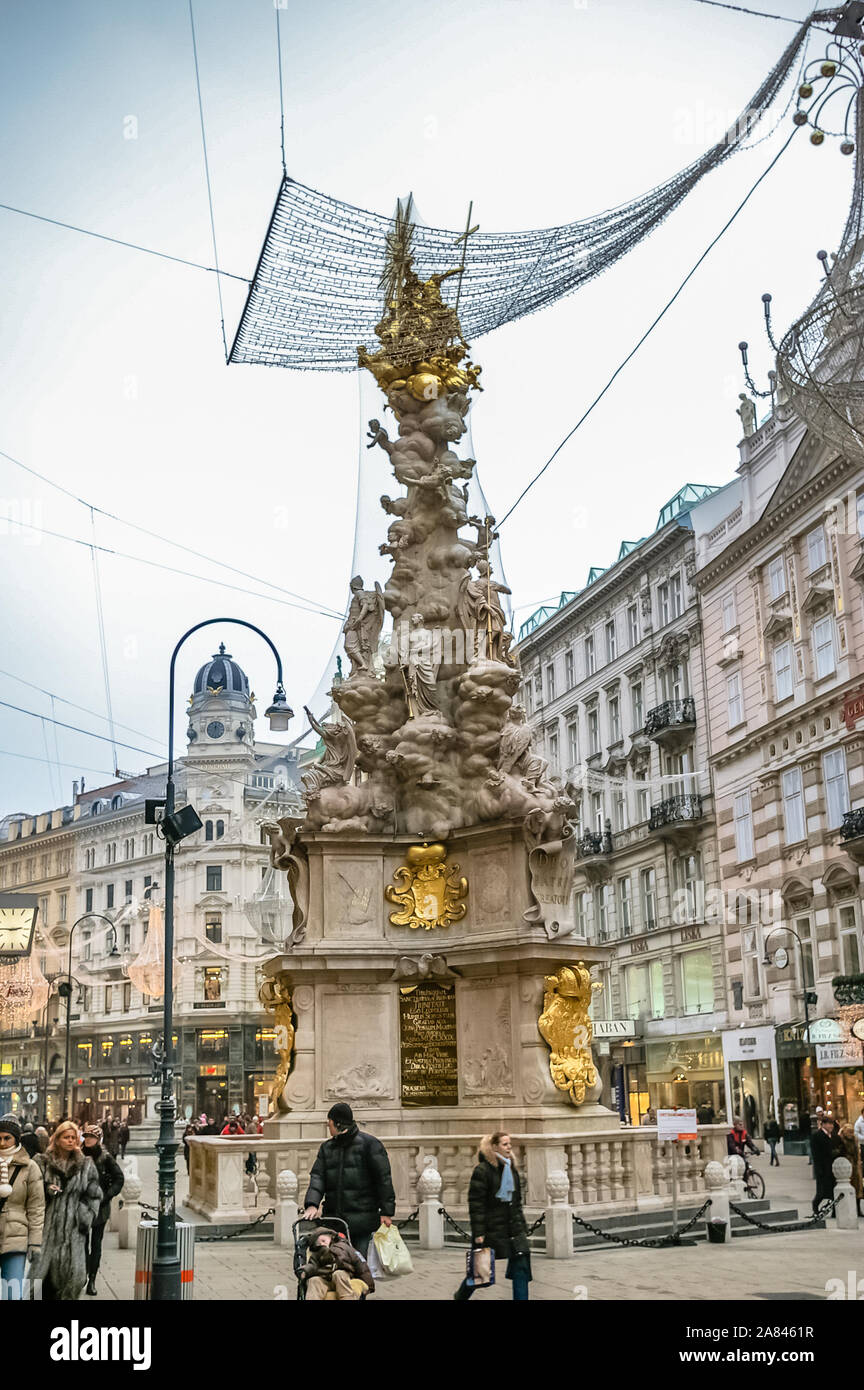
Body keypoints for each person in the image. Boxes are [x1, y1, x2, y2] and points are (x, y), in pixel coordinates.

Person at [302, 1103, 395, 1258]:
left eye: (329, 1123)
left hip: (362, 1219)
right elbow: (318, 1177)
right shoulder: (327, 1148)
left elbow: (383, 1179)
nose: (328, 1127)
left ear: (338, 1124)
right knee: (336, 1262)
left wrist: (386, 1212)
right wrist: (312, 1204)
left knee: (360, 1263)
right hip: (334, 1218)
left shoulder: (370, 1145)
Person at [453, 1132, 532, 1301]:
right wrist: (479, 1232)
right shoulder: (482, 1171)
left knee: (522, 1269)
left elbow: (516, 1202)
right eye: (505, 1144)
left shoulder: (511, 1168)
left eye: (509, 1144)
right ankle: (460, 1297)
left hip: (513, 1228)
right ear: (494, 1147)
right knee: (480, 1276)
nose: (509, 1147)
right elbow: (476, 1204)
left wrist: (522, 1227)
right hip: (491, 1229)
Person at [32, 1120, 101, 1300]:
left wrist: (84, 1216)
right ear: (57, 1139)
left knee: (73, 1280)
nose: (70, 1141)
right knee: (42, 1281)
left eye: (73, 1137)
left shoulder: (86, 1164)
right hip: (47, 1229)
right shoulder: (42, 1162)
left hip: (73, 1230)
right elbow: (32, 1191)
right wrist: (47, 1190)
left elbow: (94, 1195)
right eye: (66, 1137)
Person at [0, 1114, 44, 1301]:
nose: (2, 1143)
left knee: (12, 1294)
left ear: (16, 1139)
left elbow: (36, 1207)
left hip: (16, 1237)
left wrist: (34, 1242)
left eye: (6, 1138)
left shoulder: (30, 1167)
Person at [81, 1124, 124, 1296]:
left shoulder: (105, 1157)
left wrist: (107, 1196)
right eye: (86, 1136)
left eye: (91, 1136)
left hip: (100, 1208)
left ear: (98, 1139)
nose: (88, 1139)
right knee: (82, 1244)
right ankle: (83, 1273)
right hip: (81, 1206)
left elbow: (119, 1178)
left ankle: (92, 1279)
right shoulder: (78, 1155)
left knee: (96, 1244)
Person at [300, 1226, 375, 1301]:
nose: (322, 1244)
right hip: (326, 1279)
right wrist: (305, 1271)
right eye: (318, 1244)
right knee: (314, 1280)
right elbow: (313, 1265)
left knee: (339, 1274)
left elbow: (360, 1263)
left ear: (330, 1237)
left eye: (323, 1240)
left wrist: (369, 1284)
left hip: (345, 1277)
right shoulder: (317, 1253)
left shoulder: (344, 1247)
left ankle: (347, 1297)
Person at [810, 1113, 841, 1216]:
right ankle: (815, 1205)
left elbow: (839, 1146)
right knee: (822, 1192)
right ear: (823, 1124)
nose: (831, 1126)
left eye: (832, 1124)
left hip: (832, 1168)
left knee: (833, 1190)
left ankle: (835, 1211)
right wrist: (818, 1169)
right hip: (823, 1168)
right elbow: (816, 1154)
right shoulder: (817, 1136)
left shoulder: (834, 1136)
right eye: (829, 1124)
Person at [837, 1123, 864, 1217]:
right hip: (847, 1163)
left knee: (858, 1188)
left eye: (852, 1132)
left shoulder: (854, 1139)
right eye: (849, 1132)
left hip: (855, 1165)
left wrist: (858, 1162)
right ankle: (848, 1209)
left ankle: (858, 1208)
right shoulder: (841, 1139)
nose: (850, 1134)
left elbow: (857, 1151)